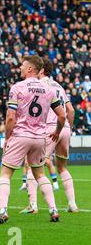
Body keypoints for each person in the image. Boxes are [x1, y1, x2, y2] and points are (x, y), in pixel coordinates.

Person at [0, 55, 65, 224]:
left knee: (5, 173)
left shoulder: (18, 87)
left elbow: (11, 117)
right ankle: (53, 210)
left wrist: (7, 138)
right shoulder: (49, 89)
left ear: (30, 69)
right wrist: (56, 131)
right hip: (40, 138)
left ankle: (3, 211)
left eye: (22, 66)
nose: (20, 68)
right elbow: (62, 115)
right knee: (40, 174)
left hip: (21, 135)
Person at [20, 58, 78, 214]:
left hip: (50, 129)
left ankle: (33, 205)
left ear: (41, 70)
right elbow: (71, 111)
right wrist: (68, 129)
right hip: (64, 128)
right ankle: (72, 204)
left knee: (34, 166)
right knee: (62, 168)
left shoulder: (39, 86)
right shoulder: (58, 85)